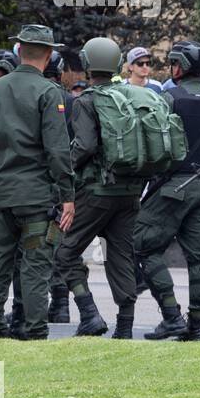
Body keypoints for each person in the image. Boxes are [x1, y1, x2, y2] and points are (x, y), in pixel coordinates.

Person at [0, 25, 75, 340]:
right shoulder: (48, 92)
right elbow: (57, 149)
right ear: (49, 54)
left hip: (0, 194)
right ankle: (36, 330)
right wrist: (67, 194)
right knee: (35, 265)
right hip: (37, 198)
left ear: (19, 51)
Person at [137, 41, 200, 342]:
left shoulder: (167, 98)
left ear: (179, 67)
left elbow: (152, 145)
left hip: (172, 186)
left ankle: (170, 316)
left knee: (143, 245)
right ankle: (197, 327)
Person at [52, 38, 146, 339]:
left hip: (95, 193)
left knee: (65, 253)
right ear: (118, 65)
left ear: (88, 66)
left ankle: (89, 313)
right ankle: (125, 326)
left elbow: (85, 146)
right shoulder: (132, 95)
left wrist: (62, 168)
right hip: (130, 192)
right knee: (121, 257)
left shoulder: (86, 101)